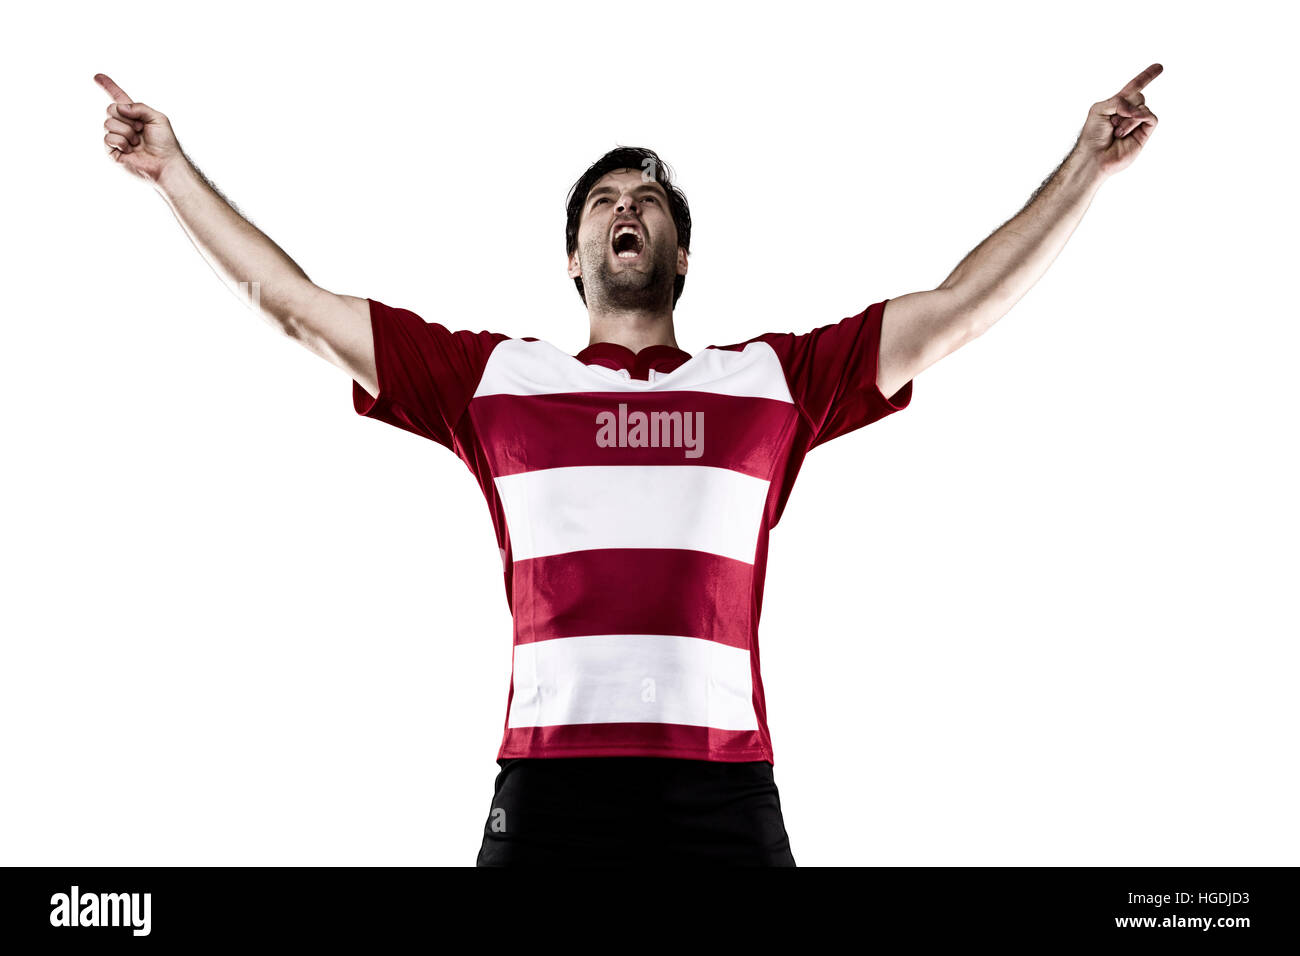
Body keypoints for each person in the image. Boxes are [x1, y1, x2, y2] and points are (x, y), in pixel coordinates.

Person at [94, 64, 1161, 866]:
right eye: (602, 199)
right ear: (572, 256)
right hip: (550, 789)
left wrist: (1085, 165)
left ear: (681, 253)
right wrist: (171, 173)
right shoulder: (494, 380)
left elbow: (958, 308)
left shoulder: (771, 382)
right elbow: (297, 307)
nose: (624, 207)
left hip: (724, 792)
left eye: (647, 200)